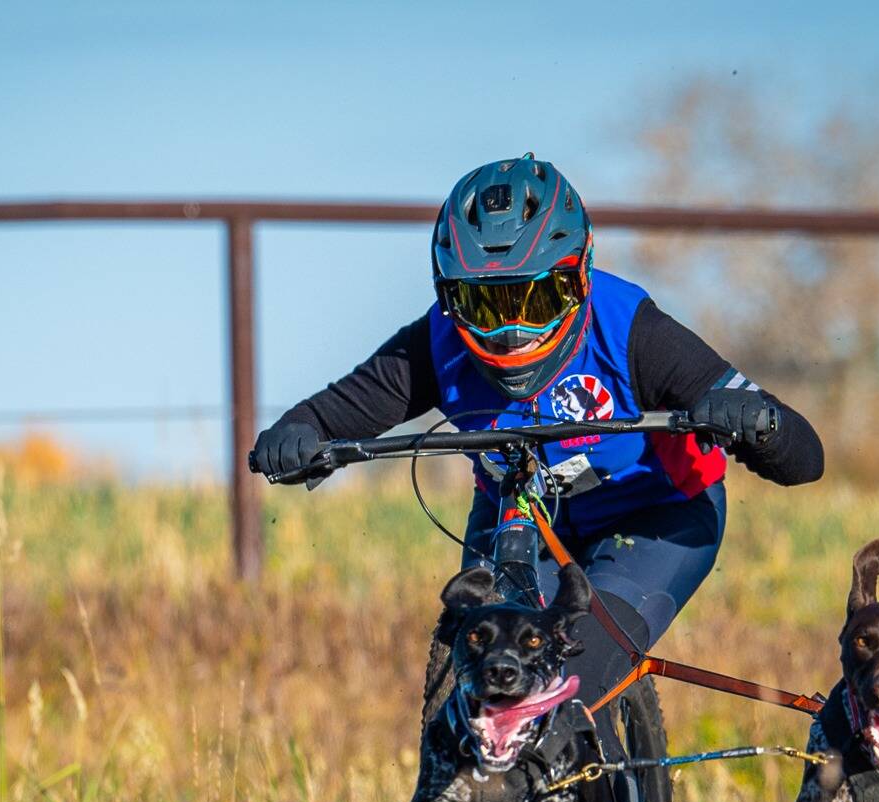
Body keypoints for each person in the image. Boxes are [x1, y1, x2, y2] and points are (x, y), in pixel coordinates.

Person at [250, 155, 824, 672]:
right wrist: (298, 434)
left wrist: (760, 426)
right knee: (472, 671)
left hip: (656, 519)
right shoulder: (435, 343)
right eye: (483, 303)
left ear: (580, 277)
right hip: (518, 518)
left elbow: (806, 459)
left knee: (577, 675)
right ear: (449, 297)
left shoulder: (633, 332)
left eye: (537, 298)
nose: (511, 330)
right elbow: (332, 414)